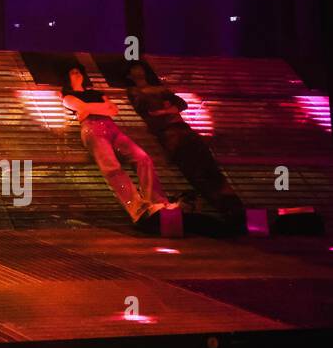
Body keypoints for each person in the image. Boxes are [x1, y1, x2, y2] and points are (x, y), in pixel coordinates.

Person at [124, 60, 246, 225]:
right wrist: (166, 105)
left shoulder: (161, 90)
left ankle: (237, 210)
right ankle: (228, 211)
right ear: (129, 75)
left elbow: (181, 104)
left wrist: (164, 108)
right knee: (197, 174)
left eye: (139, 67)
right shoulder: (135, 92)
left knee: (211, 170)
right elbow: (149, 110)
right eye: (134, 69)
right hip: (169, 135)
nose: (138, 71)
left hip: (184, 131)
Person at [60, 65, 176, 229]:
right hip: (92, 129)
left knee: (142, 158)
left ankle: (156, 201)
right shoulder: (68, 95)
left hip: (111, 127)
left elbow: (113, 110)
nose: (76, 73)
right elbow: (82, 108)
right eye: (72, 72)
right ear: (67, 78)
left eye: (78, 71)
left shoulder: (96, 92)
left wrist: (89, 108)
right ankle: (138, 209)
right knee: (112, 168)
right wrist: (99, 108)